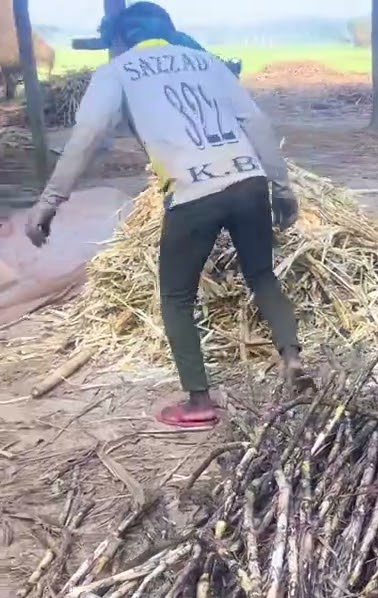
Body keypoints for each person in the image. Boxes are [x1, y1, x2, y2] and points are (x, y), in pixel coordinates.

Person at [24, 2, 310, 430]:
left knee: (177, 297)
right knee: (262, 275)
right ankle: (291, 356)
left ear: (122, 39)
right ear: (169, 31)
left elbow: (86, 136)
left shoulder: (117, 71)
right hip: (248, 179)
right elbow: (256, 122)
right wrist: (282, 188)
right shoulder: (206, 62)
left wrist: (48, 202)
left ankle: (199, 401)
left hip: (192, 189)